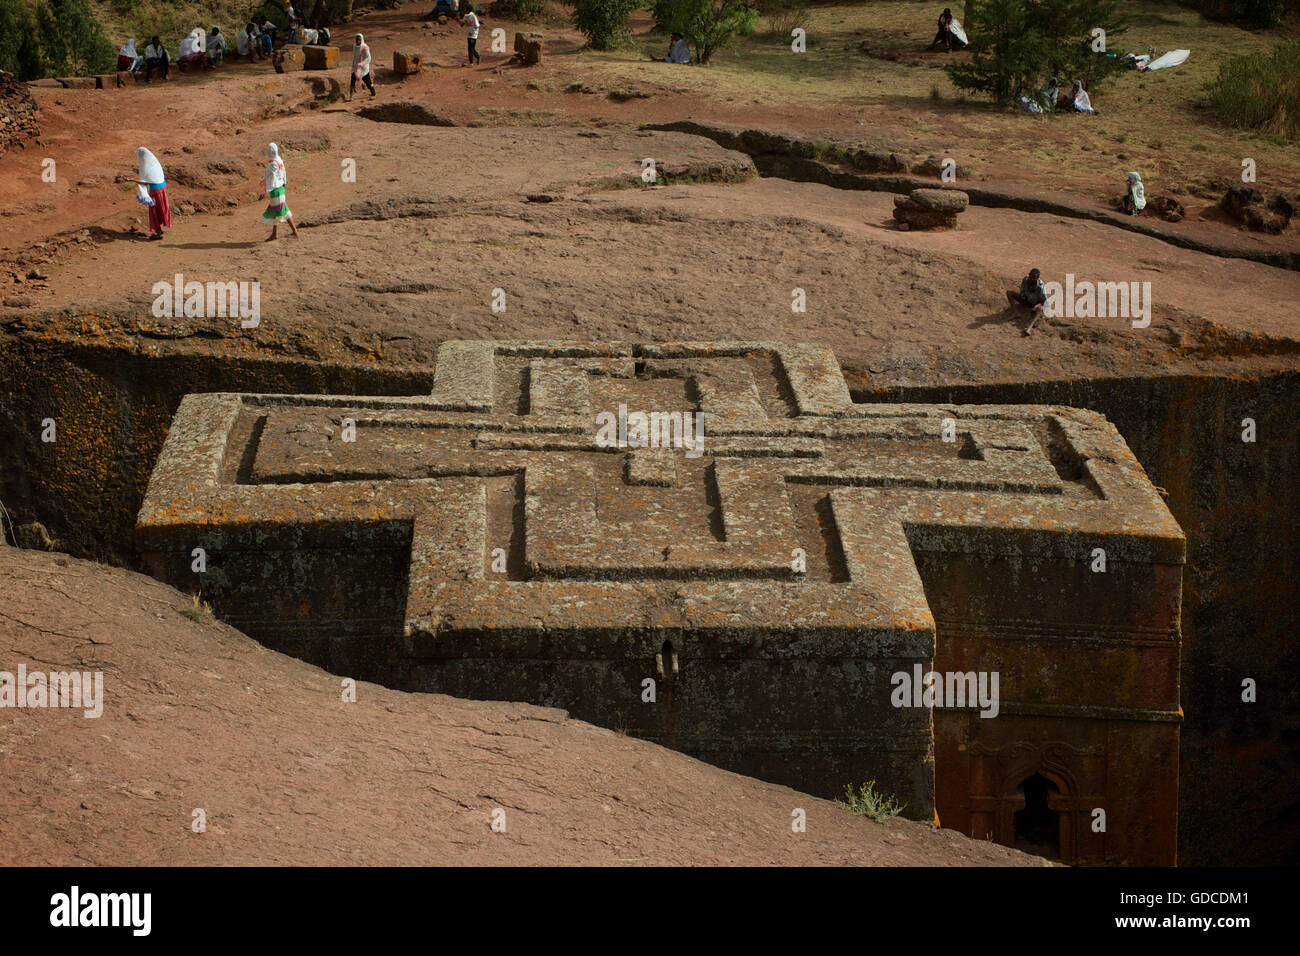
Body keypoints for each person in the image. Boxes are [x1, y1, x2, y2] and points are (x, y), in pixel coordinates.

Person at [260, 143, 300, 241]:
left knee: (283, 212)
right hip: (280, 189)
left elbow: (272, 177)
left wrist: (265, 189)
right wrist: (284, 183)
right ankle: (275, 234)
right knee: (277, 212)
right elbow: (283, 173)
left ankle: (295, 233)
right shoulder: (279, 160)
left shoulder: (272, 163)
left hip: (276, 191)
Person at [134, 147, 171, 240]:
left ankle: (158, 232)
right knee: (161, 209)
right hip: (162, 190)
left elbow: (145, 182)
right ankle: (160, 229)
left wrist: (131, 180)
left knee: (154, 212)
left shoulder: (146, 167)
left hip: (156, 193)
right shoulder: (155, 163)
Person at [1007, 267, 1046, 335]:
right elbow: (1022, 291)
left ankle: (1029, 328)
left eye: (1034, 278)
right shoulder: (1025, 279)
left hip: (1035, 304)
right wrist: (1023, 298)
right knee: (1009, 293)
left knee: (1040, 309)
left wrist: (1036, 305)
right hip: (1026, 300)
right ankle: (1016, 313)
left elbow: (1044, 301)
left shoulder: (1040, 286)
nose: (1032, 279)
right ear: (1029, 275)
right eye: (1031, 277)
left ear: (1037, 278)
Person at [350, 33, 375, 98]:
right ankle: (351, 95)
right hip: (356, 67)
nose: (357, 41)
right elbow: (355, 56)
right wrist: (354, 65)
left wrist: (362, 64)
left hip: (364, 68)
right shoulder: (355, 46)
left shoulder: (365, 48)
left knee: (369, 83)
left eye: (359, 40)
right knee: (352, 80)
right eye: (356, 40)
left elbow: (368, 58)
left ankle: (373, 90)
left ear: (361, 40)